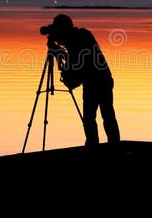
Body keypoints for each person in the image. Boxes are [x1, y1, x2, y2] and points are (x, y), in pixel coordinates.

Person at [47, 13, 120, 147]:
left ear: (64, 29)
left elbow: (77, 69)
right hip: (97, 81)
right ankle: (104, 145)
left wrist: (57, 51)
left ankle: (105, 146)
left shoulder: (79, 38)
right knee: (97, 117)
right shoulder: (79, 36)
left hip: (99, 81)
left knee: (100, 117)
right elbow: (75, 67)